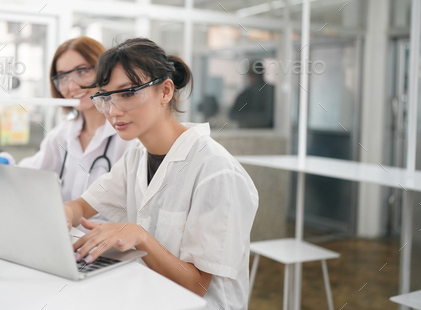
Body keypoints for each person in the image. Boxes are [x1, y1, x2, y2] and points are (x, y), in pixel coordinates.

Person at [63, 38, 259, 309]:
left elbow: (198, 285)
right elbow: (83, 205)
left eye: (128, 93)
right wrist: (65, 213)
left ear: (165, 91)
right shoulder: (136, 155)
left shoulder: (216, 172)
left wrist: (140, 236)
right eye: (106, 97)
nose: (113, 111)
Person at [13, 36, 132, 202]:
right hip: (67, 227)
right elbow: (32, 171)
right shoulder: (63, 134)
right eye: (63, 77)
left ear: (104, 70)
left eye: (82, 72)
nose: (72, 87)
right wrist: (3, 163)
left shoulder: (128, 135)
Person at [229, 59, 275, 128]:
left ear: (250, 75)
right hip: (271, 133)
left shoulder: (246, 93)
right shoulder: (273, 90)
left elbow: (232, 115)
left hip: (250, 133)